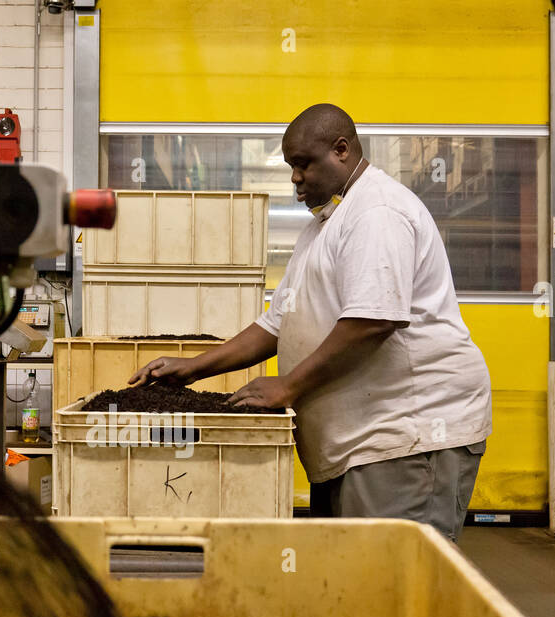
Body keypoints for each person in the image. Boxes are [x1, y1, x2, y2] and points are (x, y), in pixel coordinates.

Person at [129, 103, 491, 542]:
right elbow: (277, 323)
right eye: (290, 167)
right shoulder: (324, 226)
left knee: (391, 587)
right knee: (354, 584)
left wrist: (288, 387)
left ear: (342, 150)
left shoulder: (376, 212)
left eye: (303, 164)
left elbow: (371, 322)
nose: (295, 178)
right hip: (357, 442)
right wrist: (192, 366)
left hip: (406, 438)